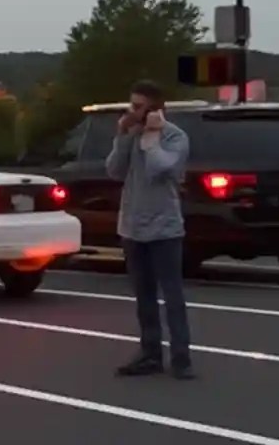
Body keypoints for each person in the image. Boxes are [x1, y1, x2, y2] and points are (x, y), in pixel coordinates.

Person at [105, 79, 194, 380]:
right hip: (132, 227)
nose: (134, 112)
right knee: (144, 297)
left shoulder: (175, 137)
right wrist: (123, 136)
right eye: (132, 105)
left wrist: (152, 137)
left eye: (139, 107)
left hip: (165, 228)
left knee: (172, 295)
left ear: (156, 109)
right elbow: (114, 171)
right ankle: (150, 353)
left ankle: (181, 358)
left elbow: (162, 169)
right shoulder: (132, 135)